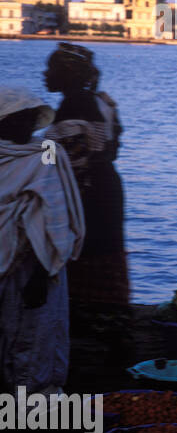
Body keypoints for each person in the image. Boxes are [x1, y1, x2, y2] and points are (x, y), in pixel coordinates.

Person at [41, 43, 133, 369]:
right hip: (107, 187)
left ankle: (94, 335)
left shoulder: (72, 107)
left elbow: (67, 160)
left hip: (85, 194)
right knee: (106, 256)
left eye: (50, 69)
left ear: (66, 74)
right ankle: (114, 332)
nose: (44, 74)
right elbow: (111, 147)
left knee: (81, 254)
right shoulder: (101, 102)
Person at [0, 86, 85, 394]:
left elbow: (54, 216)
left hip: (36, 262)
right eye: (17, 118)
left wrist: (41, 271)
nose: (25, 125)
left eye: (30, 118)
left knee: (35, 332)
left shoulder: (46, 154)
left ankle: (34, 396)